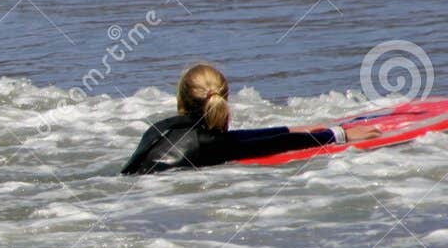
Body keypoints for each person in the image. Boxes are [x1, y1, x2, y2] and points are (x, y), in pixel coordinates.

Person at [121, 62, 383, 175]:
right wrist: (338, 135)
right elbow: (270, 145)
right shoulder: (210, 143)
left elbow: (237, 139)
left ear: (181, 99)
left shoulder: (159, 129)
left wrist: (292, 128)